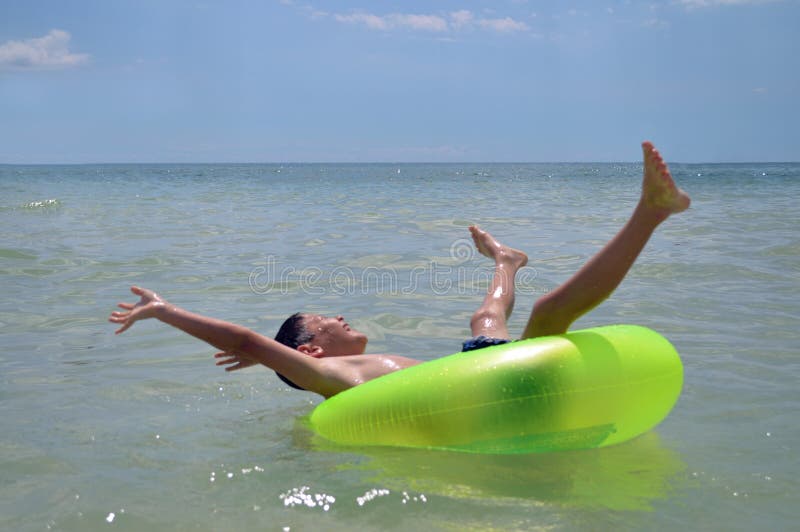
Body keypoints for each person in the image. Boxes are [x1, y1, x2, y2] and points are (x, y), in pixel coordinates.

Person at [109, 141, 690, 399]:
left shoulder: (327, 365)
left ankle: (505, 262)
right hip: (490, 386)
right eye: (324, 320)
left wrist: (265, 354)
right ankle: (650, 213)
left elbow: (261, 348)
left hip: (479, 370)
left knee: (487, 315)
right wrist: (165, 311)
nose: (339, 315)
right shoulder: (334, 382)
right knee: (547, 313)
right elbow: (247, 339)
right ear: (311, 352)